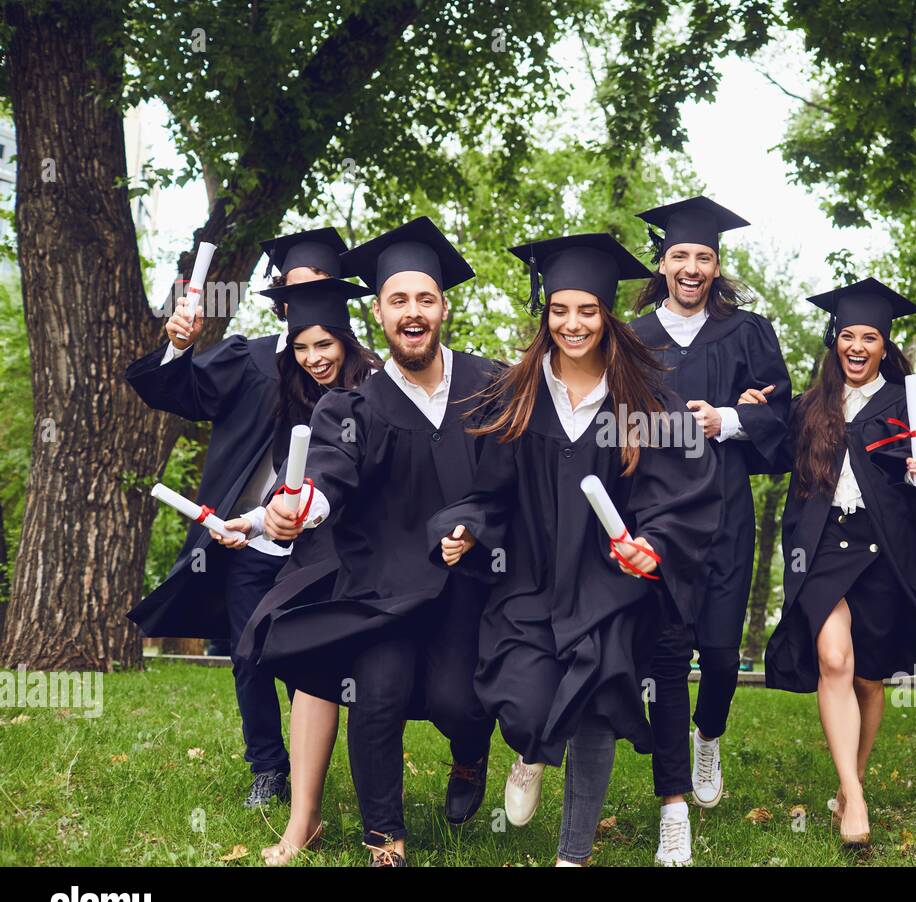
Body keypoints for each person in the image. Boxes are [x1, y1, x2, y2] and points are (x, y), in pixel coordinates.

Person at [432, 232, 721, 866]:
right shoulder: (518, 394)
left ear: (607, 314)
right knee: (521, 696)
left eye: (587, 310)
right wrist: (469, 529)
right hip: (530, 580)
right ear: (545, 315)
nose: (573, 324)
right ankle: (532, 749)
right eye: (560, 310)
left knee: (598, 696)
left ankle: (573, 856)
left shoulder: (645, 400)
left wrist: (653, 545)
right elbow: (489, 494)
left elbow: (683, 492)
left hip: (607, 584)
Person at [238, 218, 500, 867]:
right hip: (385, 590)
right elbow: (330, 471)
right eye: (397, 300)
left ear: (442, 308)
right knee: (376, 693)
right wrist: (300, 505)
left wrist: (479, 528)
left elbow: (513, 484)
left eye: (425, 299)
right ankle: (385, 839)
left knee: (461, 702)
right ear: (378, 313)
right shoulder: (354, 406)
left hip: (468, 589)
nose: (413, 312)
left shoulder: (491, 387)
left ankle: (471, 756)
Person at [125, 227, 362, 809]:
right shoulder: (250, 359)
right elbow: (179, 393)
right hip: (249, 539)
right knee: (247, 654)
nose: (301, 301)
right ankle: (268, 767)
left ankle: (313, 770)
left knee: (312, 658)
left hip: (326, 548)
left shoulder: (361, 377)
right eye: (292, 290)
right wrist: (179, 345)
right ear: (280, 299)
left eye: (317, 289)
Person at [765, 277, 916, 850]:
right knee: (833, 658)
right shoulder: (808, 408)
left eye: (870, 337)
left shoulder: (912, 407)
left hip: (883, 548)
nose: (858, 346)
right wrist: (749, 411)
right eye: (849, 335)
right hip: (823, 543)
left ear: (884, 345)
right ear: (834, 340)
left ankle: (853, 781)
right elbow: (765, 448)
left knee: (868, 678)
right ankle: (854, 794)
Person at [628, 197, 791, 865]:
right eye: (680, 256)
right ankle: (672, 806)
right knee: (667, 660)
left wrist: (729, 419)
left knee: (721, 657)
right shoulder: (633, 337)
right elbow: (610, 420)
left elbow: (781, 413)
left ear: (716, 265)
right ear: (662, 264)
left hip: (725, 514)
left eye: (703, 256)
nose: (692, 267)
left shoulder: (747, 332)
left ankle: (709, 735)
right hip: (658, 518)